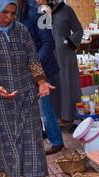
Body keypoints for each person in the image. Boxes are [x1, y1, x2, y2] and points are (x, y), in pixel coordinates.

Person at [0, 0, 55, 177]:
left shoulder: (21, 30)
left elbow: (33, 60)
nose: (9, 18)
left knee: (31, 135)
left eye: (12, 13)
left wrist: (41, 81)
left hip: (25, 92)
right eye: (4, 13)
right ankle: (6, 170)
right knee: (3, 137)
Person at [20, 0, 64, 155]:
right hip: (24, 70)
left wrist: (34, 66)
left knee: (44, 107)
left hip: (43, 68)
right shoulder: (11, 15)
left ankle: (56, 141)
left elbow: (48, 43)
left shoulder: (41, 12)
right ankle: (40, 135)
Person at [45, 0, 83, 123]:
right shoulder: (40, 12)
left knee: (69, 86)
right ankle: (53, 121)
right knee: (51, 87)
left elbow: (78, 30)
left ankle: (75, 119)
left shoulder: (66, 10)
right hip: (48, 57)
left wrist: (68, 41)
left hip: (66, 57)